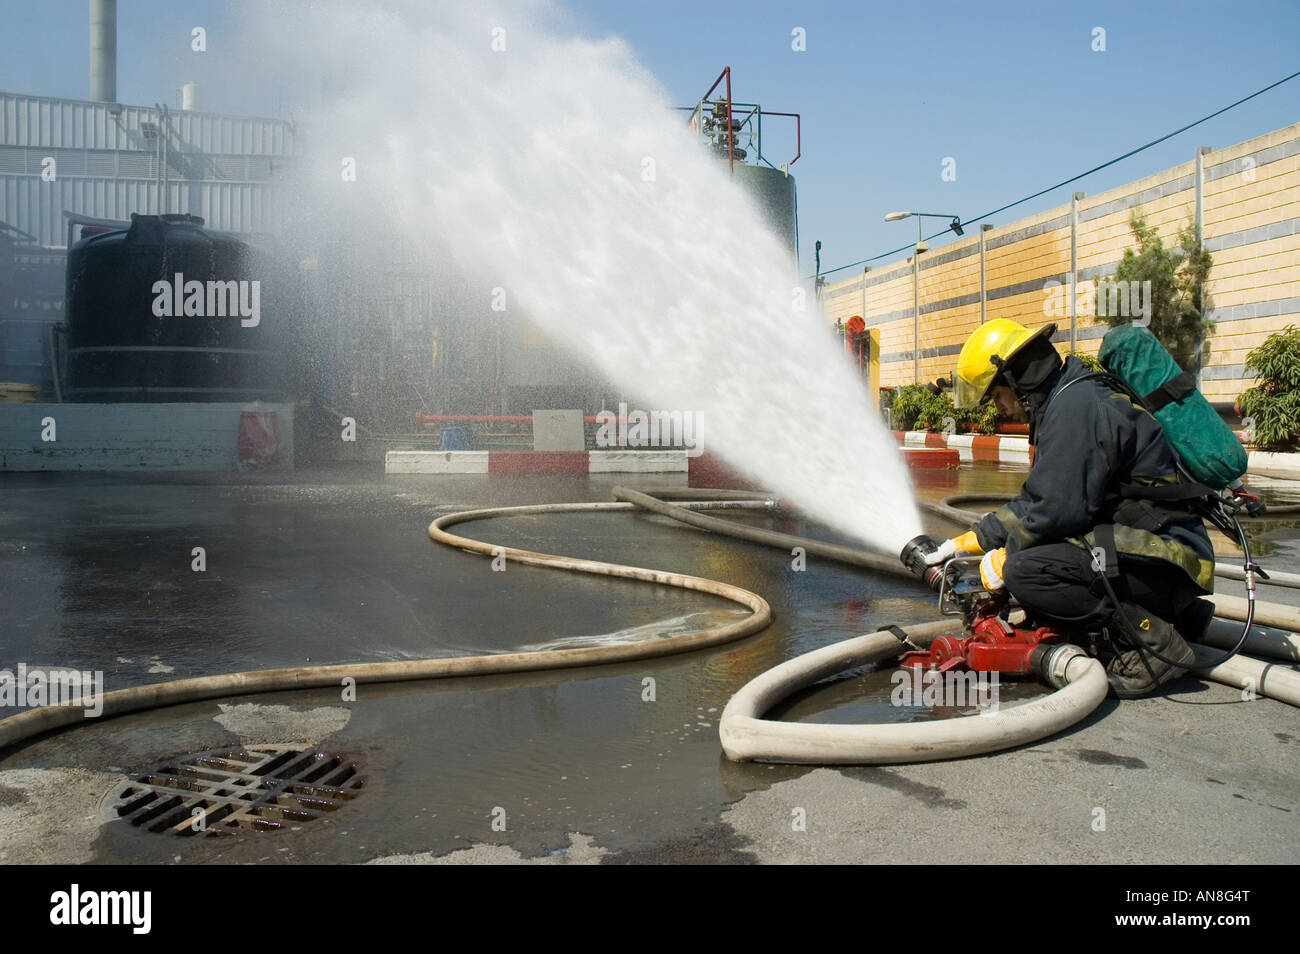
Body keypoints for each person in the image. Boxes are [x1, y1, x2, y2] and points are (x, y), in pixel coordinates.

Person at [926, 319, 1217, 698]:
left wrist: (1004, 558)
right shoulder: (1069, 399)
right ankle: (1177, 617)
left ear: (1018, 381)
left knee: (1028, 572)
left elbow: (1058, 512)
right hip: (1155, 553)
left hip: (1168, 555)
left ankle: (1156, 646)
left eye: (997, 396)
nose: (999, 408)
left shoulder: (1076, 409)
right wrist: (975, 539)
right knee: (1036, 564)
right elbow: (1038, 499)